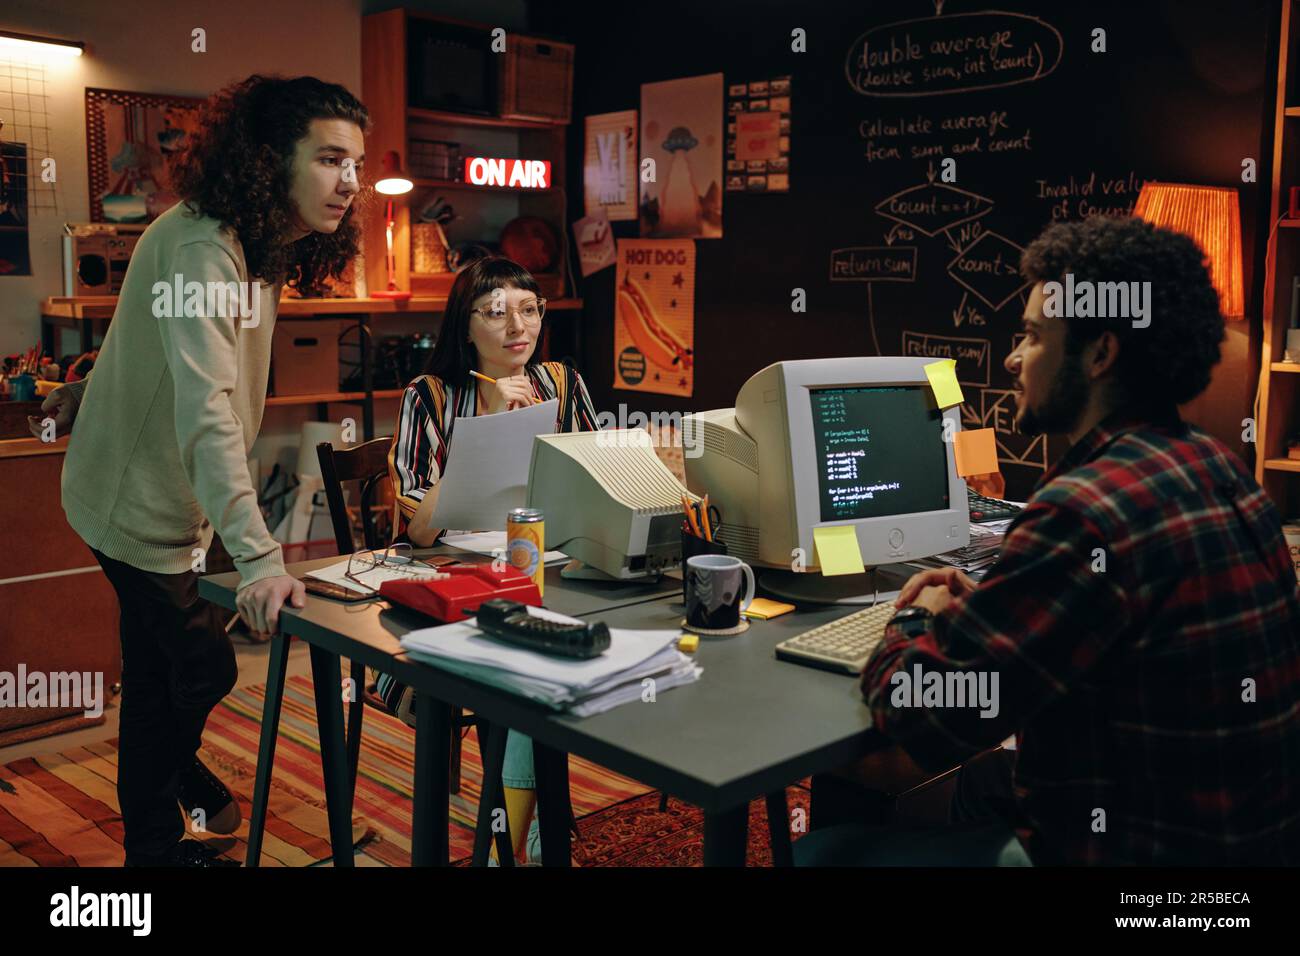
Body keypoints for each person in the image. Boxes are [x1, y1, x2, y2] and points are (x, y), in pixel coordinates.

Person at [797, 215, 1300, 866]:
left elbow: (924, 714)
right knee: (975, 783)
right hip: (1233, 851)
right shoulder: (1218, 467)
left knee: (826, 852)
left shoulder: (1083, 512)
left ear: (1099, 353)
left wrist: (914, 619)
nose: (1012, 358)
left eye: (1033, 336)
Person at [35, 75, 368, 866]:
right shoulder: (201, 245)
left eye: (354, 162)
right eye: (329, 159)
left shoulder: (263, 239)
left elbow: (165, 352)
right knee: (203, 663)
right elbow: (208, 404)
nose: (350, 182)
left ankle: (160, 824)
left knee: (160, 670)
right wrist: (259, 557)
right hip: (129, 499)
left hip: (174, 493)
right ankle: (169, 815)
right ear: (268, 159)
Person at [386, 255, 599, 862]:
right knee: (526, 668)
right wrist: (485, 426)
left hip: (547, 564)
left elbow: (595, 472)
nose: (517, 327)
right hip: (453, 581)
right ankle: (523, 834)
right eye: (496, 312)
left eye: (528, 310)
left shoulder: (562, 383)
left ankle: (522, 823)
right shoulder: (429, 397)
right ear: (466, 324)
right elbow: (419, 529)